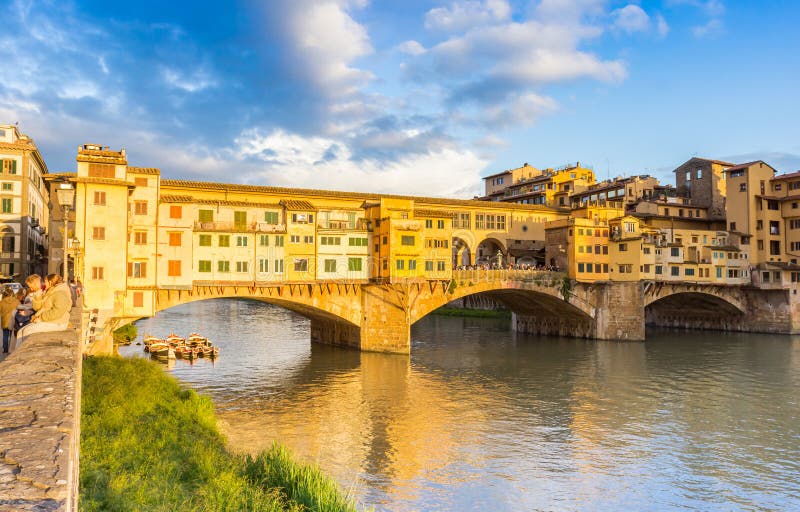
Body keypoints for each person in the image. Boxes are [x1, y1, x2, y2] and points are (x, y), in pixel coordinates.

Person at [16, 274, 72, 347]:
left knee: (26, 331)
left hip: (58, 322)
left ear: (50, 282)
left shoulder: (60, 292)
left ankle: (22, 353)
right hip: (51, 320)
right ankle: (17, 353)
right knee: (20, 331)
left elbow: (57, 312)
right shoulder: (50, 291)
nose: (44, 284)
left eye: (45, 282)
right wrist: (37, 297)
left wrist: (40, 318)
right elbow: (39, 307)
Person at [0, 287, 19, 353]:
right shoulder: (16, 301)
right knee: (12, 335)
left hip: (4, 321)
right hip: (13, 321)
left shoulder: (2, 302)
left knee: (5, 335)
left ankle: (5, 349)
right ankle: (11, 349)